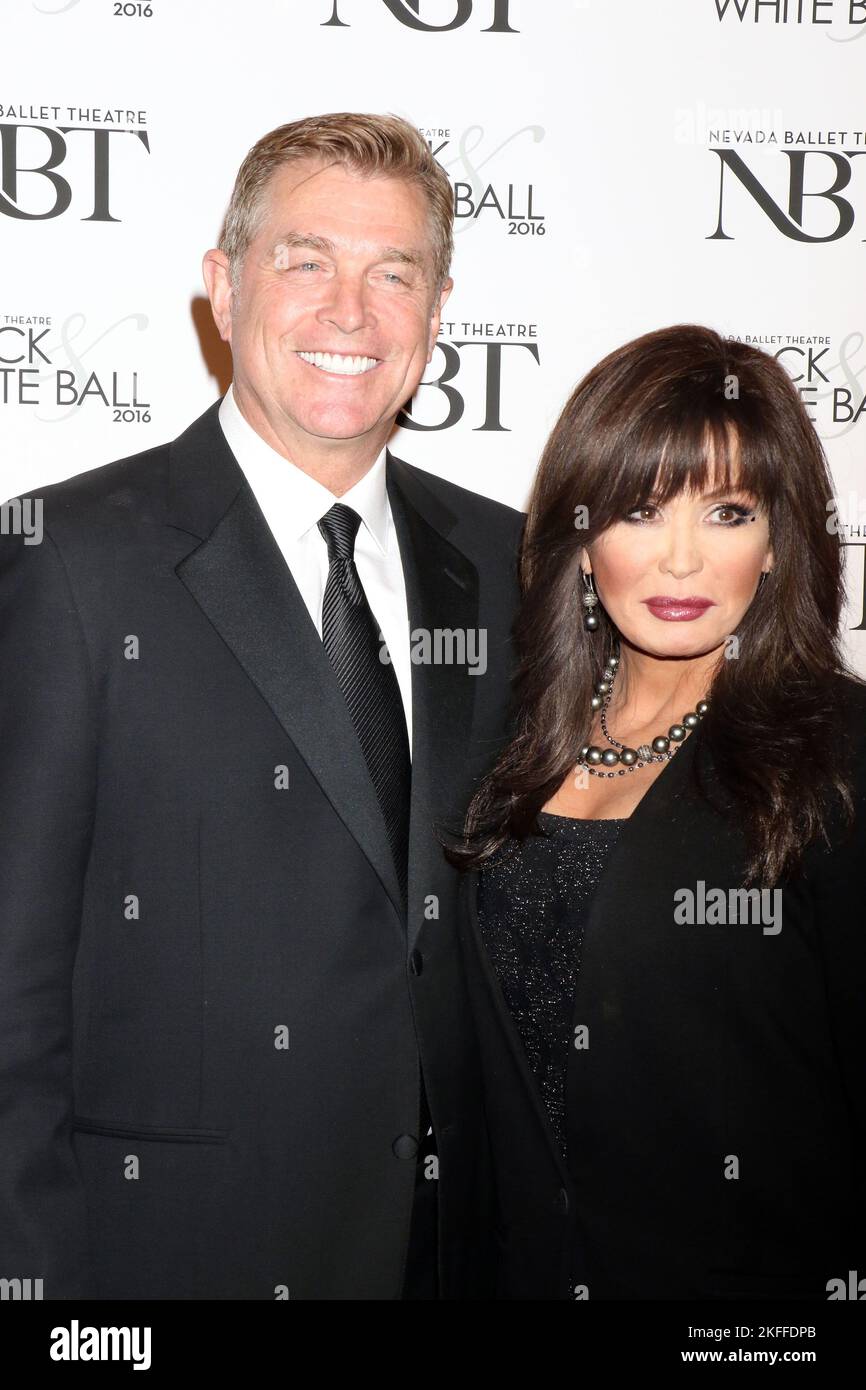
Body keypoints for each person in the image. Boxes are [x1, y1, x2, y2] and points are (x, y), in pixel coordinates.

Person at [0, 112, 524, 1300]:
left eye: (393, 273)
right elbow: (10, 984)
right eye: (306, 261)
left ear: (438, 311)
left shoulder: (503, 563)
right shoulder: (71, 559)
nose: (351, 312)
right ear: (222, 289)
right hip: (165, 1263)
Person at [448, 323, 866, 1299]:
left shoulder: (837, 755)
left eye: (726, 513)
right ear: (581, 537)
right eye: (640, 510)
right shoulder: (508, 744)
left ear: (775, 544)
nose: (680, 560)